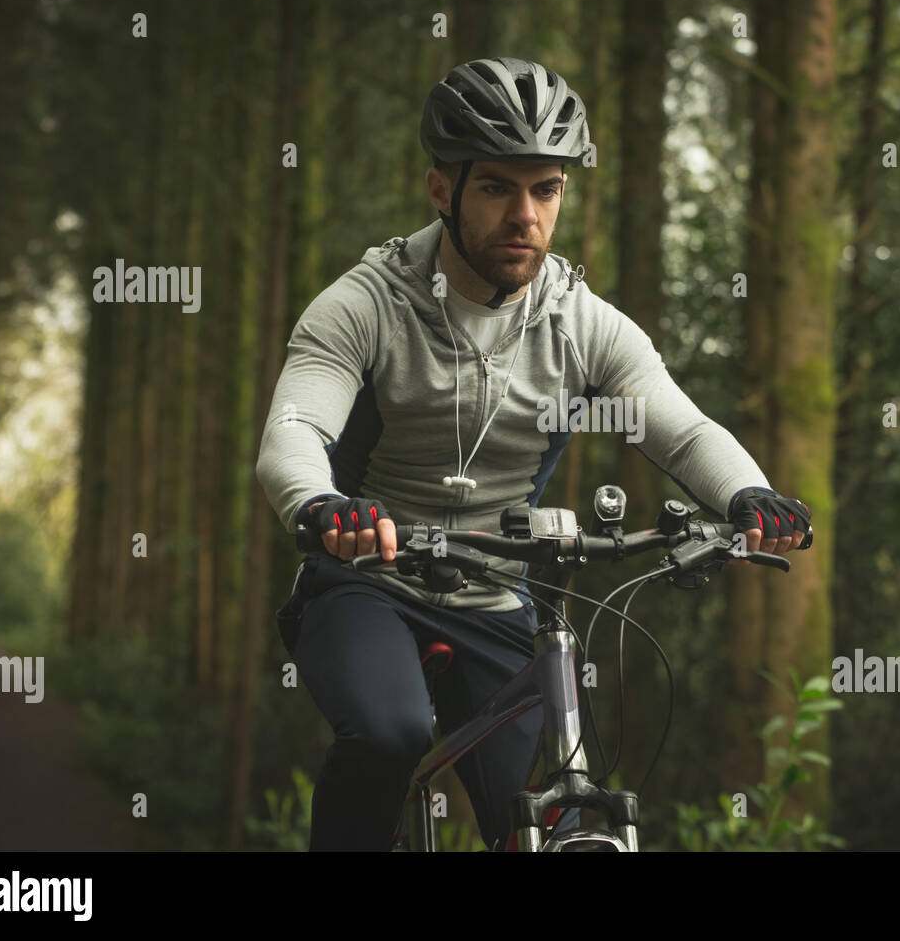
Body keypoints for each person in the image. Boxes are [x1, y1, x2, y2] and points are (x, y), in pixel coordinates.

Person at [255, 56, 811, 851]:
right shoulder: (365, 304)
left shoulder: (582, 325)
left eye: (545, 189)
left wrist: (748, 495)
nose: (525, 215)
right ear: (442, 190)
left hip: (495, 597)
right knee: (389, 734)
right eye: (496, 188)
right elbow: (294, 433)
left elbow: (681, 430)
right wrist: (322, 505)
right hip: (365, 580)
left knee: (554, 809)